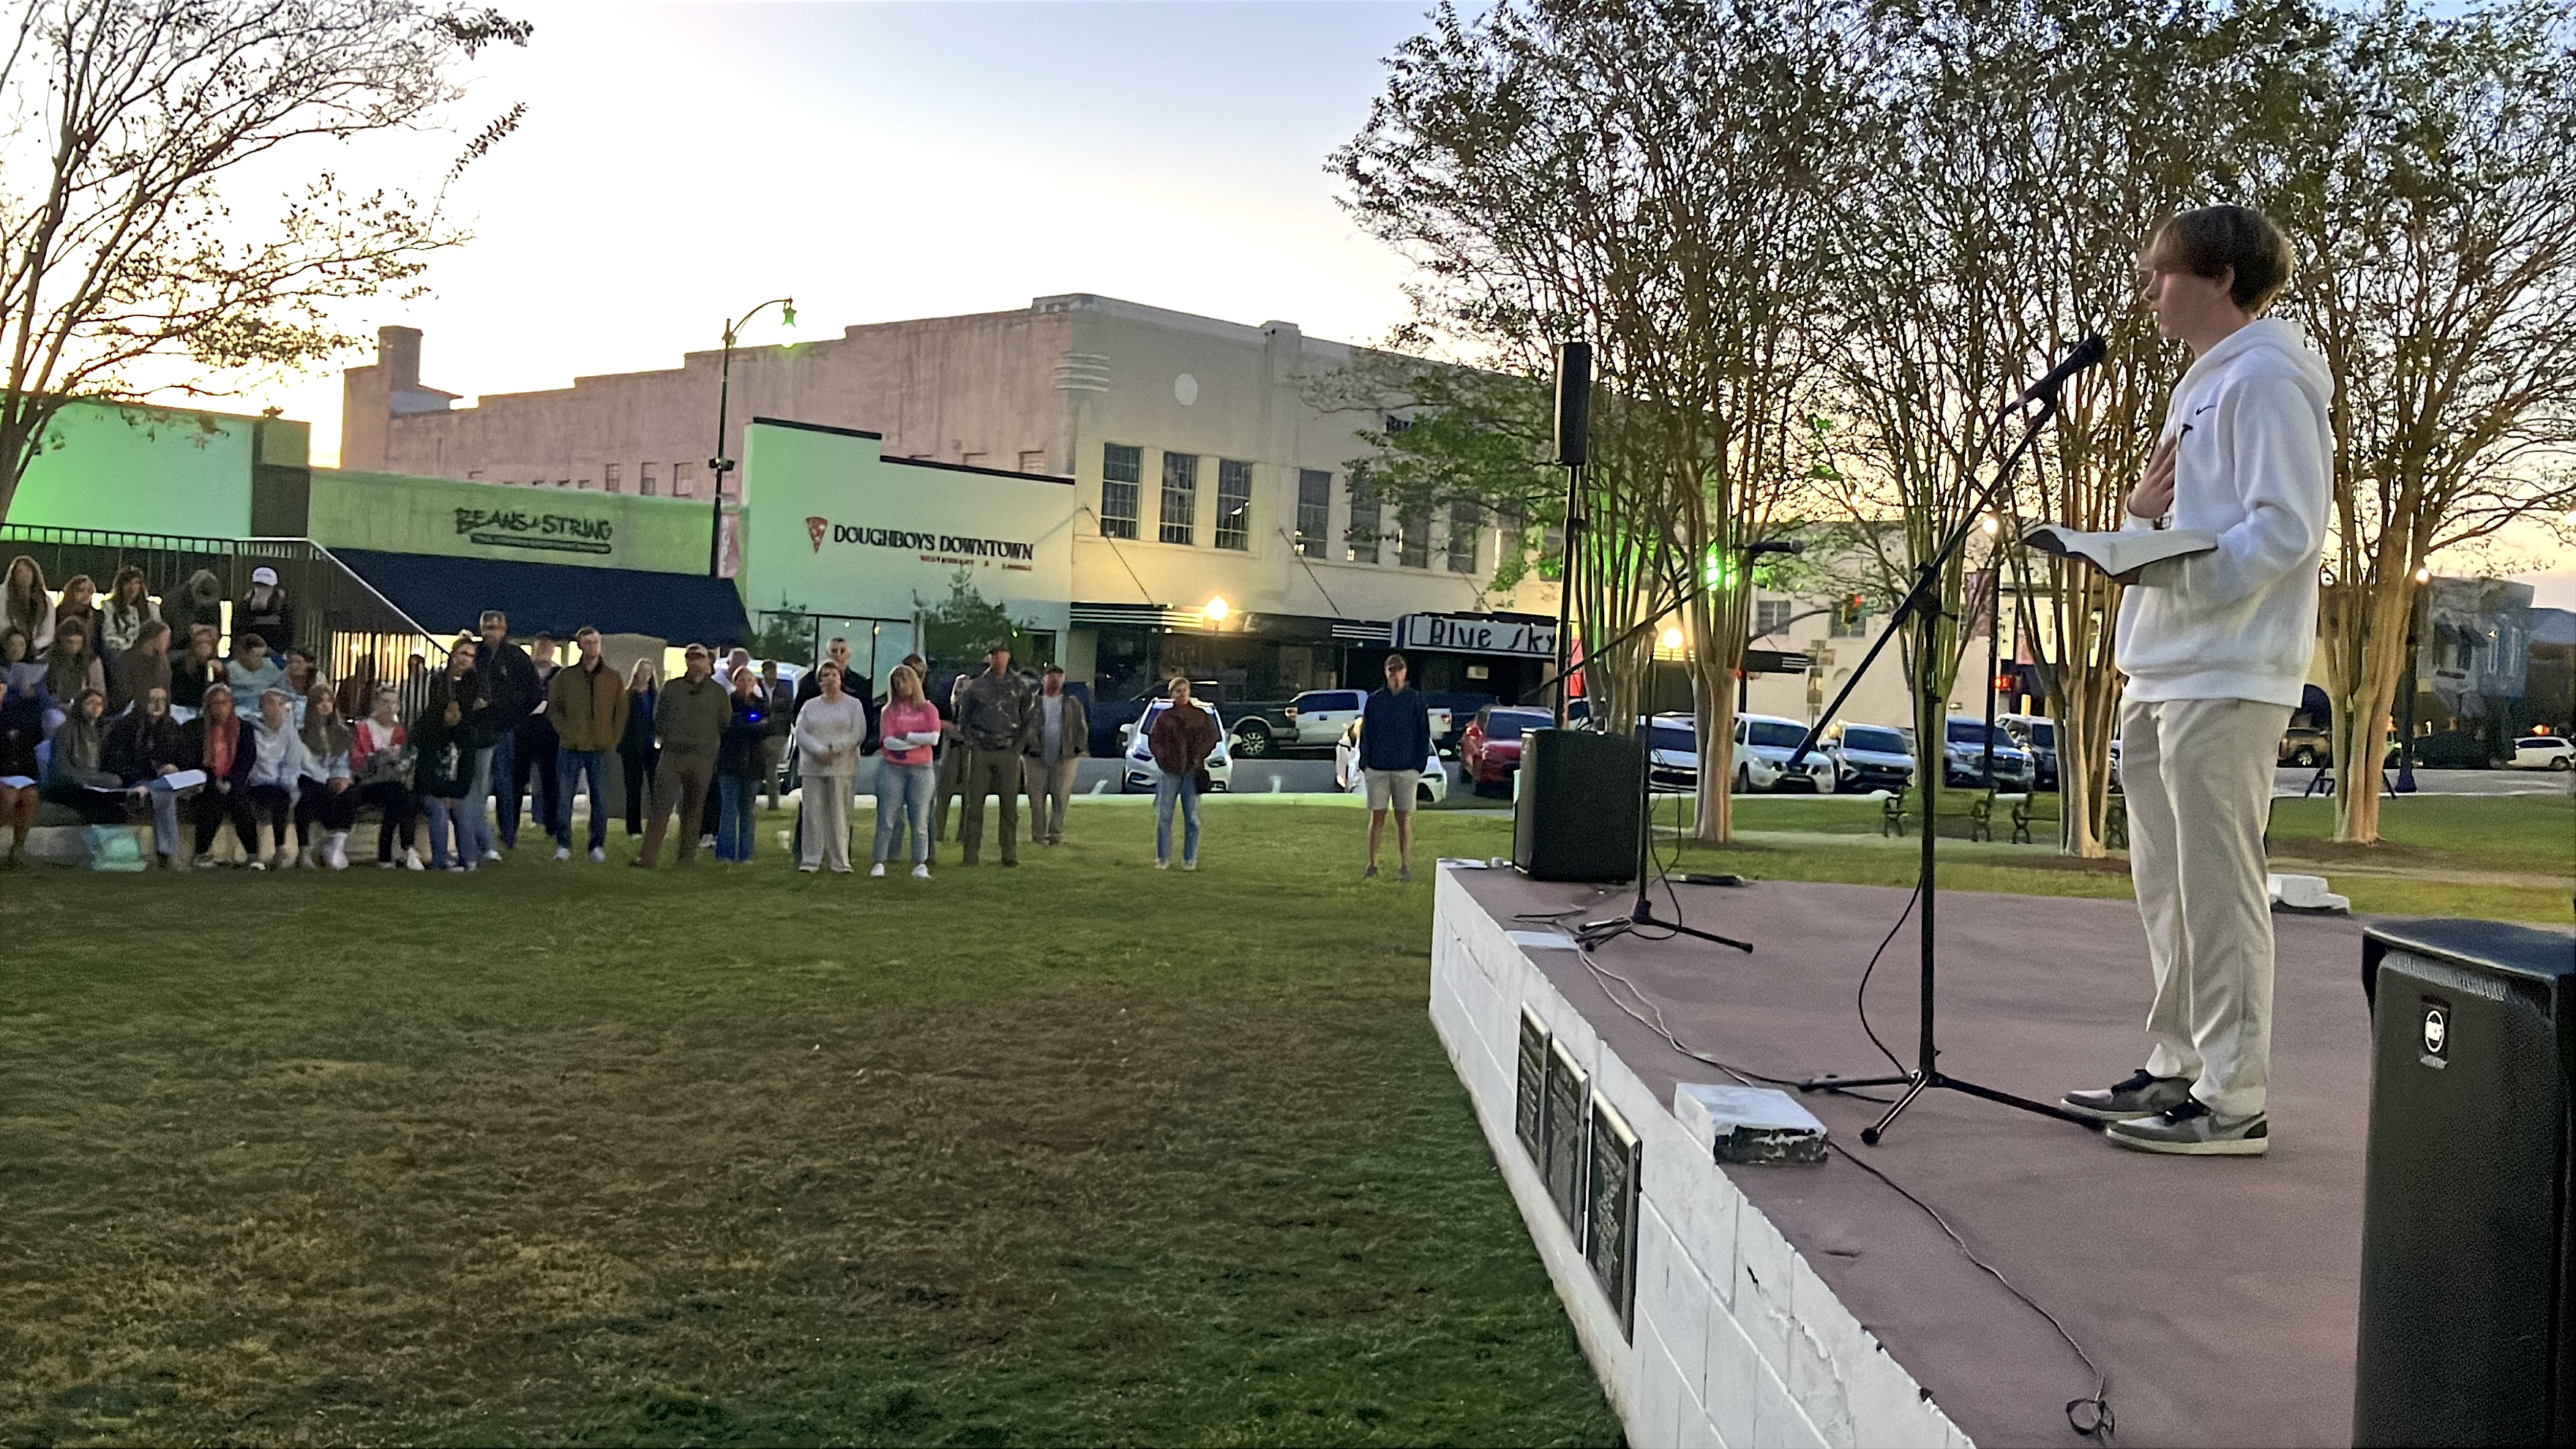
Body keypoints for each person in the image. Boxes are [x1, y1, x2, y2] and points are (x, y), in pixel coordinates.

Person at [2059, 206, 2332, 1158]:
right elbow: (2185, 516)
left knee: (2219, 888)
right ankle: (2177, 1066)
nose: (2146, 290)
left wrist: (2176, 571)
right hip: (2164, 664)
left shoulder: (2267, 378)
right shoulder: (2200, 385)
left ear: (2218, 276)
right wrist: (2134, 523)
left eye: (2159, 273)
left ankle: (2234, 1098)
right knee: (2167, 888)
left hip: (2229, 667)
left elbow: (2286, 527)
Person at [634, 644, 729, 868]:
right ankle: (647, 857)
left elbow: (724, 722)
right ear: (686, 661)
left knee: (694, 809)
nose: (695, 662)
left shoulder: (718, 692)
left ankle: (686, 858)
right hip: (672, 755)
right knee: (660, 807)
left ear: (708, 662)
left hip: (703, 757)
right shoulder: (671, 688)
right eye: (691, 657)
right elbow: (658, 718)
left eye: (700, 658)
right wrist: (670, 735)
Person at [547, 626, 627, 862]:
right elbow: (554, 708)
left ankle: (597, 845)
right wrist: (566, 731)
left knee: (601, 799)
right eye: (587, 643)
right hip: (571, 746)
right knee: (564, 798)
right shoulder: (566, 677)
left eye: (595, 642)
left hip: (601, 748)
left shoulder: (612, 678)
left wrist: (612, 737)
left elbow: (621, 712)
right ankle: (564, 844)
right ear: (580, 646)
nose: (592, 647)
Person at [790, 637, 875, 856]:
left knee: (841, 807)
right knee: (811, 807)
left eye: (842, 650)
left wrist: (846, 748)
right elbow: (797, 717)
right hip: (813, 756)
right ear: (827, 653)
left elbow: (866, 720)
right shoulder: (810, 682)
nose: (838, 654)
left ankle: (841, 852)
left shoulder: (859, 684)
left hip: (844, 756)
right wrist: (817, 748)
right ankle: (805, 852)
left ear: (849, 654)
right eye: (833, 651)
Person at [954, 643, 1033, 866]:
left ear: (1009, 656)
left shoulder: (1020, 686)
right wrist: (973, 744)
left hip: (1008, 752)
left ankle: (1009, 854)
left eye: (1003, 654)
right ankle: (970, 855)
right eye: (995, 655)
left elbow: (1027, 720)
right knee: (974, 805)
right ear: (989, 658)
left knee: (1009, 807)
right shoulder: (975, 687)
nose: (999, 658)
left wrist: (1017, 748)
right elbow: (964, 720)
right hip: (981, 751)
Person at [1359, 653, 1434, 882]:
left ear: (1405, 672)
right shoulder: (1376, 700)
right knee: (1377, 816)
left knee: (1404, 818)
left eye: (1398, 670)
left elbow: (1423, 733)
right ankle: (1372, 864)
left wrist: (1419, 765)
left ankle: (1405, 865)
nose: (1395, 674)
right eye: (1391, 670)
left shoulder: (1415, 699)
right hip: (1378, 767)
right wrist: (1366, 762)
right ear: (1386, 672)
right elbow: (1367, 732)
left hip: (1406, 768)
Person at [471, 611, 538, 854]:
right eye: (487, 628)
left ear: (505, 629)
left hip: (505, 730)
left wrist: (513, 715)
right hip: (478, 728)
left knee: (506, 784)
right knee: (477, 783)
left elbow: (534, 694)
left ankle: (508, 834)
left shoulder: (516, 657)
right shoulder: (476, 655)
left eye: (495, 628)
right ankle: (477, 833)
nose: (491, 632)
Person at [105, 684, 193, 866]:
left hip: (171, 780)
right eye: (153, 700)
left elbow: (185, 756)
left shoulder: (172, 726)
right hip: (140, 779)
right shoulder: (126, 727)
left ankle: (148, 790)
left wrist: (174, 767)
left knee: (197, 777)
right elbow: (118, 762)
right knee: (165, 797)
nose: (158, 704)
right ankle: (169, 854)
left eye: (162, 700)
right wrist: (155, 772)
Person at [427, 640, 494, 864]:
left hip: (473, 743)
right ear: (454, 654)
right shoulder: (438, 680)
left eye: (471, 656)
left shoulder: (477, 681)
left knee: (474, 795)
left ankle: (479, 850)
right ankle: (473, 851)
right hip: (445, 744)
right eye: (463, 653)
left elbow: (482, 709)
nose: (466, 659)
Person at [871, 662, 940, 878]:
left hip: (922, 769)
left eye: (905, 680)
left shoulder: (929, 709)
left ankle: (920, 863)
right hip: (893, 768)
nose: (901, 685)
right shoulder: (888, 711)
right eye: (897, 682)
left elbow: (934, 738)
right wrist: (918, 741)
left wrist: (908, 737)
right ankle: (879, 862)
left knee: (920, 818)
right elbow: (889, 742)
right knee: (887, 817)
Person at [1147, 676, 1217, 871]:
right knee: (1164, 816)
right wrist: (1164, 758)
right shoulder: (1164, 717)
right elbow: (1154, 741)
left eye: (1185, 690)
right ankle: (1163, 858)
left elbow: (1211, 738)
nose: (1182, 694)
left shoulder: (1200, 716)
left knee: (1193, 818)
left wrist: (1198, 757)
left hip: (1192, 772)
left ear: (1189, 693)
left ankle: (1190, 859)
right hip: (1169, 772)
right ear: (1172, 694)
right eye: (1178, 691)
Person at [185, 685, 259, 867]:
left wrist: (231, 781)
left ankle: (252, 855)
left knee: (240, 802)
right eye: (215, 704)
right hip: (205, 781)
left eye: (224, 703)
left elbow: (246, 760)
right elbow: (193, 761)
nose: (220, 708)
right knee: (212, 802)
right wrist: (214, 780)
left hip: (235, 780)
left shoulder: (245, 729)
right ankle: (201, 853)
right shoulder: (197, 729)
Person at [241, 687, 312, 869]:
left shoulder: (290, 733)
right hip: (256, 782)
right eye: (271, 704)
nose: (277, 708)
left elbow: (292, 762)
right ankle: (259, 854)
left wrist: (285, 784)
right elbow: (249, 759)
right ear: (262, 707)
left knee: (281, 797)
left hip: (281, 783)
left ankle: (280, 849)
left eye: (280, 704)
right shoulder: (251, 729)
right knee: (262, 798)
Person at [351, 686, 421, 869]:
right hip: (369, 783)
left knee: (400, 798)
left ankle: (387, 855)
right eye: (385, 702)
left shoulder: (400, 731)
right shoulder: (364, 728)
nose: (390, 707)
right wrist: (382, 756)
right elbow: (359, 763)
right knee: (400, 795)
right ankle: (407, 848)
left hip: (393, 782)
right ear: (376, 704)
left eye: (394, 703)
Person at [290, 683, 356, 869]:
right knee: (310, 796)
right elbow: (301, 760)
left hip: (329, 777)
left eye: (329, 700)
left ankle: (335, 843)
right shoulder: (302, 732)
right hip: (305, 775)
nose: (325, 705)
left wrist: (341, 777)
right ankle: (304, 851)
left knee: (350, 794)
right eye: (320, 701)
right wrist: (324, 777)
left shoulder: (341, 733)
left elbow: (342, 762)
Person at [1022, 664, 1087, 847]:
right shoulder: (1032, 703)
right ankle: (1038, 835)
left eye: (1058, 679)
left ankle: (1055, 834)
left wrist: (1078, 748)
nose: (1055, 683)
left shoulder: (1072, 703)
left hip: (1065, 757)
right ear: (1044, 680)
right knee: (1036, 798)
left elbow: (1081, 728)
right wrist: (1025, 747)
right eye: (1051, 678)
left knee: (1060, 797)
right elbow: (1022, 726)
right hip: (1035, 757)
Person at [41, 687, 126, 824]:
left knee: (116, 781)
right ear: (80, 705)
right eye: (90, 703)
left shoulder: (102, 732)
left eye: (99, 704)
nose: (95, 707)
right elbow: (62, 770)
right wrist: (83, 781)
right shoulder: (65, 730)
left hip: (96, 781)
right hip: (73, 783)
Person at [714, 662, 771, 863]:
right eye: (741, 679)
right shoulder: (727, 702)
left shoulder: (762, 704)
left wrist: (746, 721)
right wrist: (750, 721)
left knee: (748, 811)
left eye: (749, 680)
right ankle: (725, 854)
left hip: (753, 766)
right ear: (734, 682)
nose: (745, 683)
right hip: (729, 765)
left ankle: (746, 854)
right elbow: (727, 725)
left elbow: (765, 728)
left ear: (754, 682)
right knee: (728, 810)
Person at [411, 695, 471, 872]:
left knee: (463, 810)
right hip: (429, 791)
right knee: (438, 810)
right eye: (450, 711)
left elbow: (467, 774)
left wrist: (454, 794)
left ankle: (467, 858)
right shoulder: (429, 737)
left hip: (454, 792)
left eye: (458, 711)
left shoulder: (466, 737)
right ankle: (440, 859)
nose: (455, 715)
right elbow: (425, 775)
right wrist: (443, 793)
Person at [515, 632, 564, 843]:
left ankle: (551, 826)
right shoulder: (524, 671)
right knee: (516, 781)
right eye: (541, 647)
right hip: (523, 732)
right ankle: (510, 827)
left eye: (549, 647)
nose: (545, 651)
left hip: (550, 734)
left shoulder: (560, 674)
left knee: (551, 781)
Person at [0, 673, 45, 865]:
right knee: (9, 796)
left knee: (31, 795)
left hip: (11, 775)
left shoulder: (12, 715)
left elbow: (22, 747)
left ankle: (18, 849)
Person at [617, 659, 658, 838]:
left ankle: (656, 826)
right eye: (642, 672)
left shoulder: (656, 696)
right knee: (633, 788)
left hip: (653, 747)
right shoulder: (627, 696)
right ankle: (633, 828)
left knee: (656, 788)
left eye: (648, 672)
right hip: (632, 748)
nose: (645, 675)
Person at [41, 618, 106, 713]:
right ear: (61, 640)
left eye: (78, 642)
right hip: (54, 707)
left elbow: (99, 690)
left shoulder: (92, 661)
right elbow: (44, 687)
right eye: (69, 642)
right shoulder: (50, 658)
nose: (73, 647)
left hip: (83, 709)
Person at [112, 619, 172, 716]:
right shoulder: (127, 659)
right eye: (165, 639)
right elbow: (124, 690)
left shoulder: (163, 661)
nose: (167, 643)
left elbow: (166, 690)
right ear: (154, 639)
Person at [100, 567, 160, 657]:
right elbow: (109, 636)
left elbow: (158, 632)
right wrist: (130, 646)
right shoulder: (109, 607)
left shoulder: (151, 608)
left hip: (146, 653)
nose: (132, 588)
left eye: (136, 583)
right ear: (120, 586)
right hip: (120, 652)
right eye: (128, 583)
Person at [760, 659, 795, 812]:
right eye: (769, 671)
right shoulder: (757, 689)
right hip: (758, 734)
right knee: (761, 769)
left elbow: (788, 713)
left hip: (777, 735)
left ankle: (773, 802)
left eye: (774, 671)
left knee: (771, 769)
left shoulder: (783, 691)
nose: (772, 674)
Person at [169, 624, 223, 714]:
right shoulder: (179, 665)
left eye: (208, 643)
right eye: (200, 643)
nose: (204, 647)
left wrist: (220, 674)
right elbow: (177, 695)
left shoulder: (217, 666)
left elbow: (221, 694)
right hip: (182, 709)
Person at [4, 555, 54, 652]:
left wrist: (31, 647)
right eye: (20, 572)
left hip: (35, 651)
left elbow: (48, 634)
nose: (25, 575)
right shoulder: (4, 597)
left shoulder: (46, 601)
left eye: (28, 571)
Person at [224, 632, 284, 711]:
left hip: (266, 711)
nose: (260, 660)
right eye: (256, 656)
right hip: (239, 710)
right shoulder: (231, 669)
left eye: (262, 656)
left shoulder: (270, 666)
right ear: (244, 654)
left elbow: (281, 689)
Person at [238, 566, 292, 655]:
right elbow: (239, 632)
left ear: (274, 587)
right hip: (249, 655)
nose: (261, 590)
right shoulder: (245, 607)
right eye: (258, 586)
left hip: (275, 655)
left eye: (266, 586)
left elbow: (288, 636)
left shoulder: (283, 608)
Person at [52, 574, 97, 659]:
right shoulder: (57, 613)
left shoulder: (97, 616)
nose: (86, 595)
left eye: (89, 591)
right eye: (81, 590)